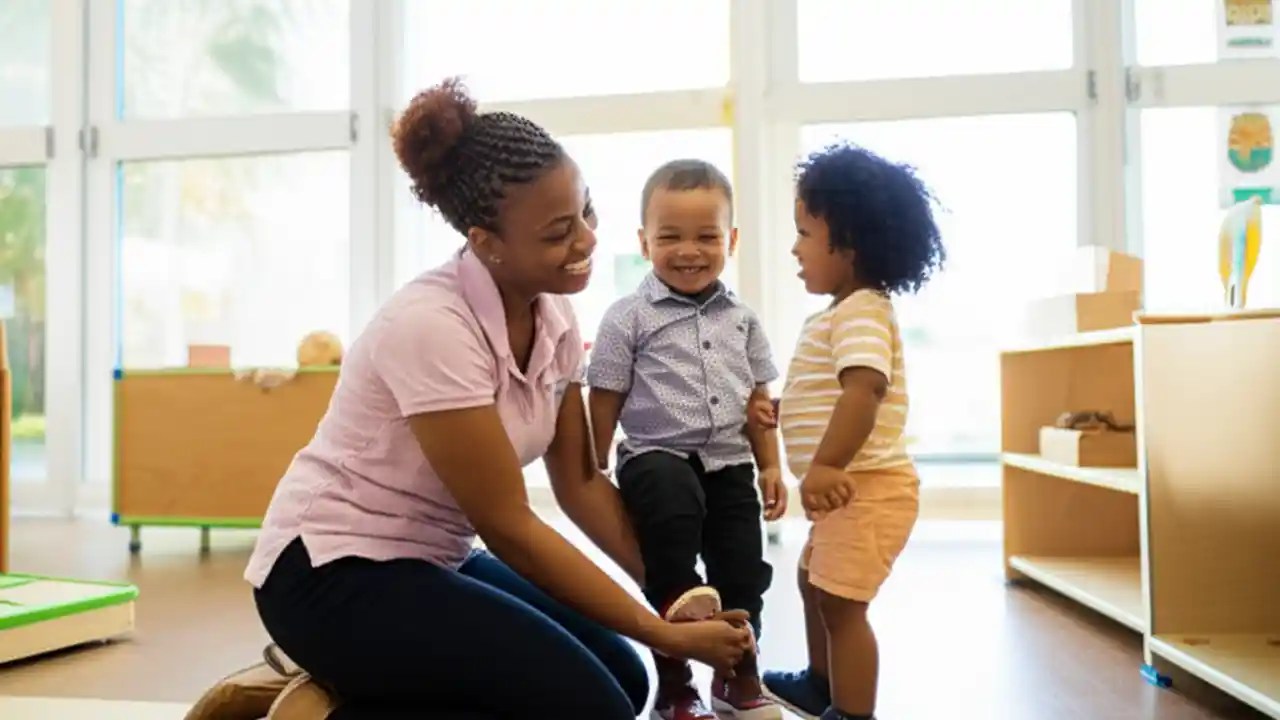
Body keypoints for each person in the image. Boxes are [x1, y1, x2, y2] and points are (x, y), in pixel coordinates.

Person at [243, 78, 754, 720]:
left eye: (587, 212)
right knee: (590, 708)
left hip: (434, 556)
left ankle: (364, 684)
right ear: (487, 242)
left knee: (624, 682)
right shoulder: (431, 326)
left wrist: (679, 590)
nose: (589, 241)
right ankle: (320, 708)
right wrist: (663, 633)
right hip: (328, 572)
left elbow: (580, 484)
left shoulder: (557, 316)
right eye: (558, 232)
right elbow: (508, 522)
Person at [588, 159, 786, 720]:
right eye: (669, 237)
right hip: (655, 456)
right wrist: (595, 458)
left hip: (729, 462)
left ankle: (736, 675)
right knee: (670, 533)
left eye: (707, 236)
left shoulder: (743, 320)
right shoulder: (627, 317)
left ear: (733, 239)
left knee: (744, 569)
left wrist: (771, 466)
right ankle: (675, 682)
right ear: (644, 241)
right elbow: (605, 392)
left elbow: (758, 401)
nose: (689, 250)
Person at [757, 142, 945, 720]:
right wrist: (786, 411)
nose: (794, 246)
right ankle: (821, 684)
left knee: (842, 603)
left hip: (867, 487)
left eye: (805, 233)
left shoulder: (862, 309)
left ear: (850, 244)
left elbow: (864, 393)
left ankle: (854, 712)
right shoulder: (844, 311)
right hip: (850, 488)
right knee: (814, 582)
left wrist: (827, 465)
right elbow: (833, 392)